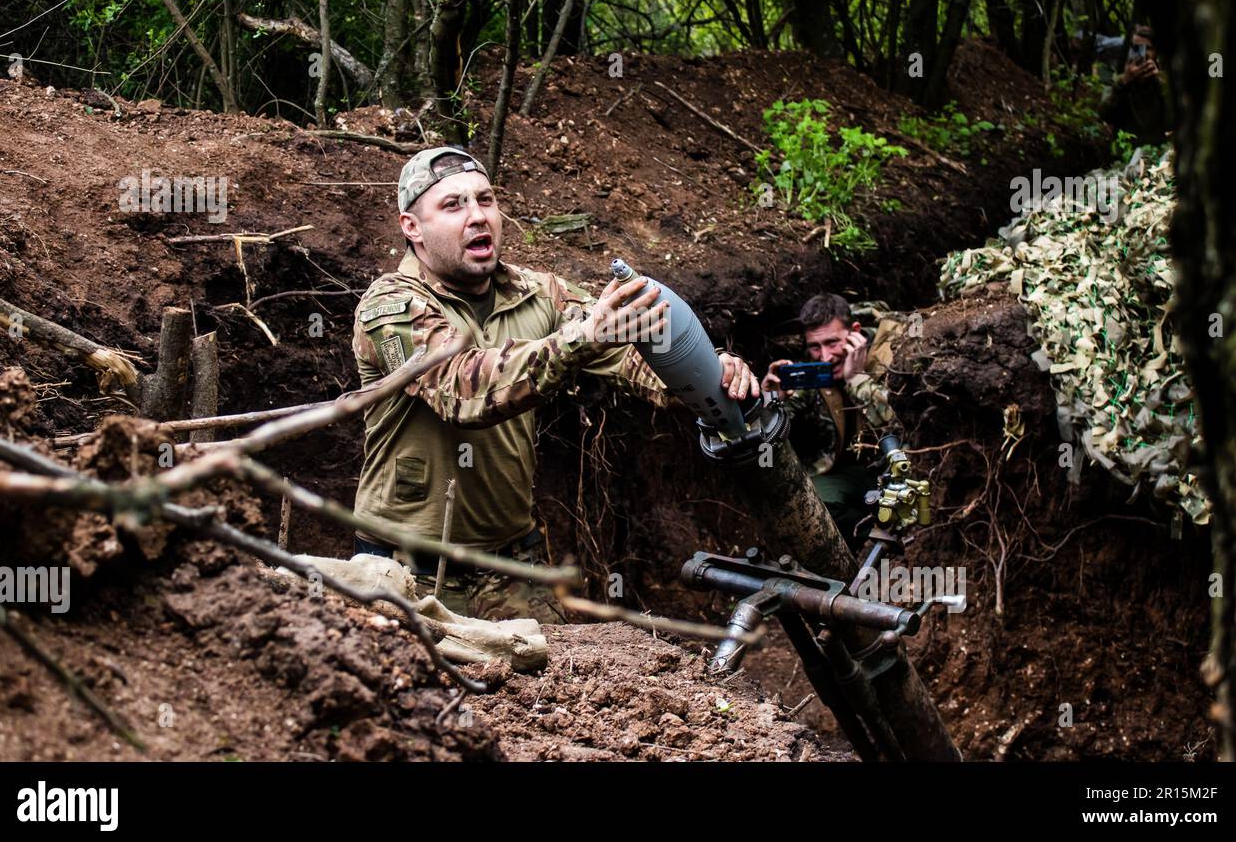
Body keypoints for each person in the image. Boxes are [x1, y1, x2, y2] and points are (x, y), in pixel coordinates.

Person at [351, 146, 759, 623]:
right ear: (412, 227)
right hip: (405, 571)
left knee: (551, 690)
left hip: (511, 565)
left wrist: (710, 374)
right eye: (453, 205)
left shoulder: (537, 292)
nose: (477, 216)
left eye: (485, 200)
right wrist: (583, 337)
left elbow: (625, 352)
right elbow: (462, 388)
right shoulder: (390, 307)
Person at [762, 293, 888, 545]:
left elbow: (899, 422)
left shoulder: (888, 355)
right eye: (815, 347)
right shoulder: (813, 372)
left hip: (893, 466)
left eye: (832, 343)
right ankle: (874, 543)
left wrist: (856, 379)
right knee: (815, 504)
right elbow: (771, 435)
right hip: (845, 472)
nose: (825, 356)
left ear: (855, 332)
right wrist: (770, 402)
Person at [1100, 24, 1173, 147]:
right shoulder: (1119, 80)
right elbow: (1104, 113)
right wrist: (1124, 82)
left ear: (1155, 52)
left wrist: (1158, 82)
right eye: (1136, 48)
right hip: (1126, 152)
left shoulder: (1165, 80)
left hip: (1156, 152)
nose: (1141, 53)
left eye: (1147, 48)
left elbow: (1176, 119)